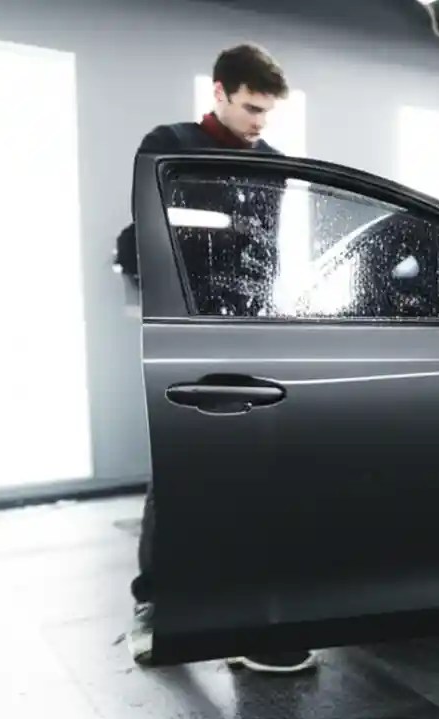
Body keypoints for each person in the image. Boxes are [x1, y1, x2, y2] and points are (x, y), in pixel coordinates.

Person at [122, 43, 319, 675]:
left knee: (258, 467)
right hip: (189, 330)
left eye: (268, 112)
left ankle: (247, 612)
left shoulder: (279, 164)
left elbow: (262, 252)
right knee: (179, 465)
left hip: (253, 329)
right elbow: (156, 234)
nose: (260, 123)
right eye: (251, 108)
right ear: (219, 93)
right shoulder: (168, 143)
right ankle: (155, 602)